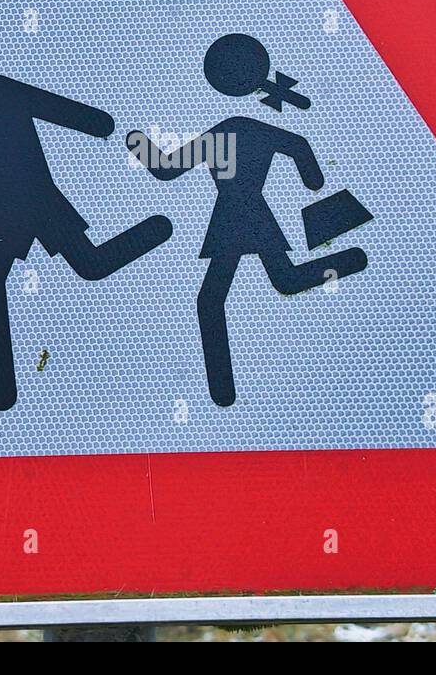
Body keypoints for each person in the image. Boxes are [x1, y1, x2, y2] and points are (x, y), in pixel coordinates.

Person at [0, 5, 172, 411]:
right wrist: (99, 124)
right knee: (75, 266)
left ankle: (0, 391)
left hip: (26, 198)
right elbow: (67, 113)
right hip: (27, 198)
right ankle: (156, 230)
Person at [126, 34, 366, 407]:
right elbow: (299, 146)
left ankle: (350, 260)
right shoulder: (248, 129)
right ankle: (349, 260)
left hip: (239, 216)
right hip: (246, 215)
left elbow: (167, 169)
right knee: (275, 281)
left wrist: (138, 142)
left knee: (214, 300)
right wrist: (312, 179)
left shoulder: (227, 131)